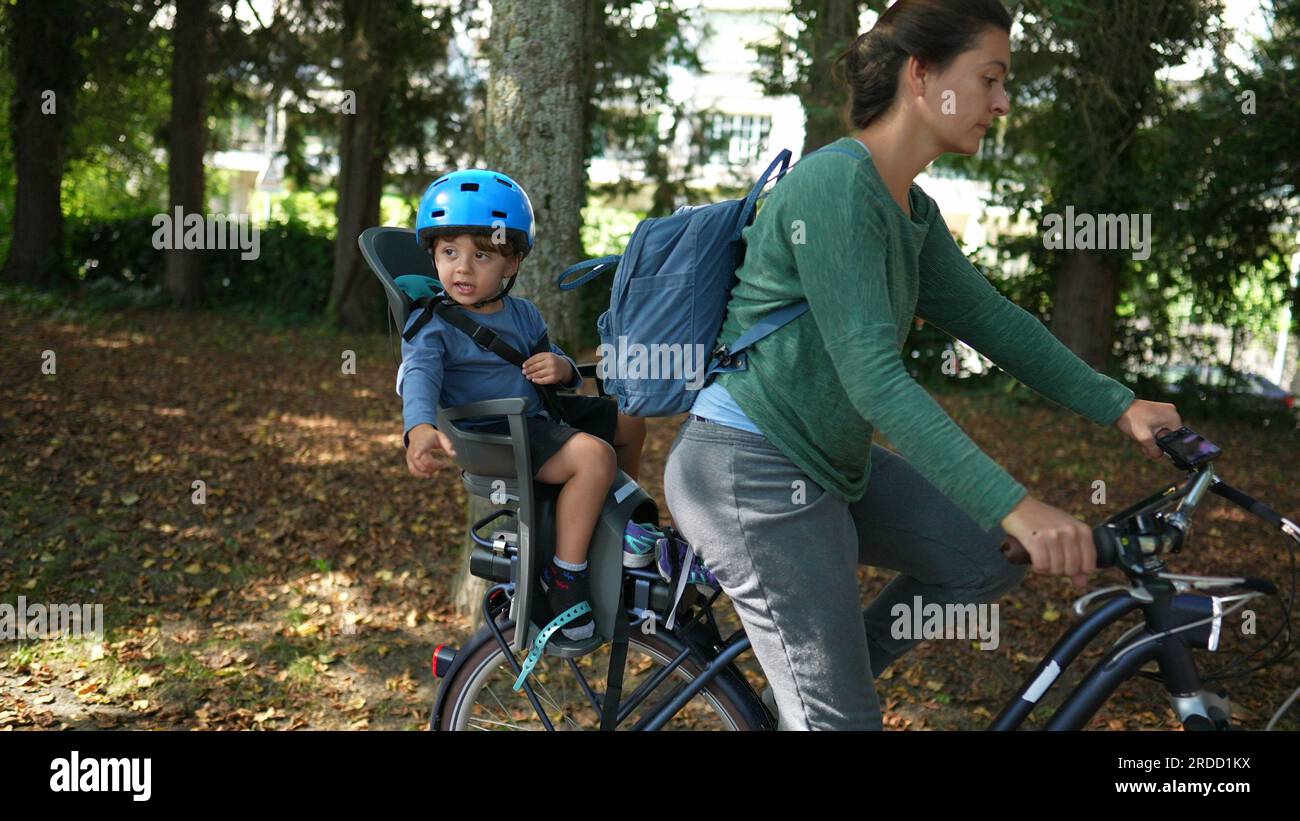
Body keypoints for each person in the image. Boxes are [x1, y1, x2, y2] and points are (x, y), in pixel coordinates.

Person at [663, 0, 1183, 730]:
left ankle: (815, 698)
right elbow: (874, 380)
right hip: (750, 469)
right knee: (845, 719)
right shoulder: (836, 187)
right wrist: (1017, 502)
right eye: (990, 78)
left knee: (985, 556)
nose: (1002, 102)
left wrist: (1119, 403)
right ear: (922, 74)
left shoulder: (909, 208)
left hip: (825, 462)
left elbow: (995, 322)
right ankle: (825, 707)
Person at [398, 169, 647, 645]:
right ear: (433, 255)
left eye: (482, 254)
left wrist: (565, 370)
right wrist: (420, 429)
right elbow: (420, 377)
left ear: (510, 263)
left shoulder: (524, 313)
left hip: (534, 418)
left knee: (630, 416)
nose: (463, 269)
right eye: (449, 253)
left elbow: (553, 365)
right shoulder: (432, 325)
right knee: (594, 457)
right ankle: (565, 577)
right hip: (493, 433)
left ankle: (623, 522)